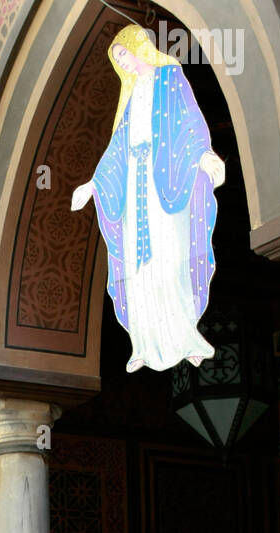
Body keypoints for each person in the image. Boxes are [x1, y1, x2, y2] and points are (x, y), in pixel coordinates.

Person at [71, 23, 225, 373]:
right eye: (119, 59)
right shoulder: (129, 96)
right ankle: (143, 343)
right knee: (137, 268)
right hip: (133, 188)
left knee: (170, 258)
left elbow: (189, 121)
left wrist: (203, 155)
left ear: (139, 47)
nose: (124, 63)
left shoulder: (170, 78)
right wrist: (93, 185)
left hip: (165, 183)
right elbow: (116, 149)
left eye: (125, 54)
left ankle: (186, 337)